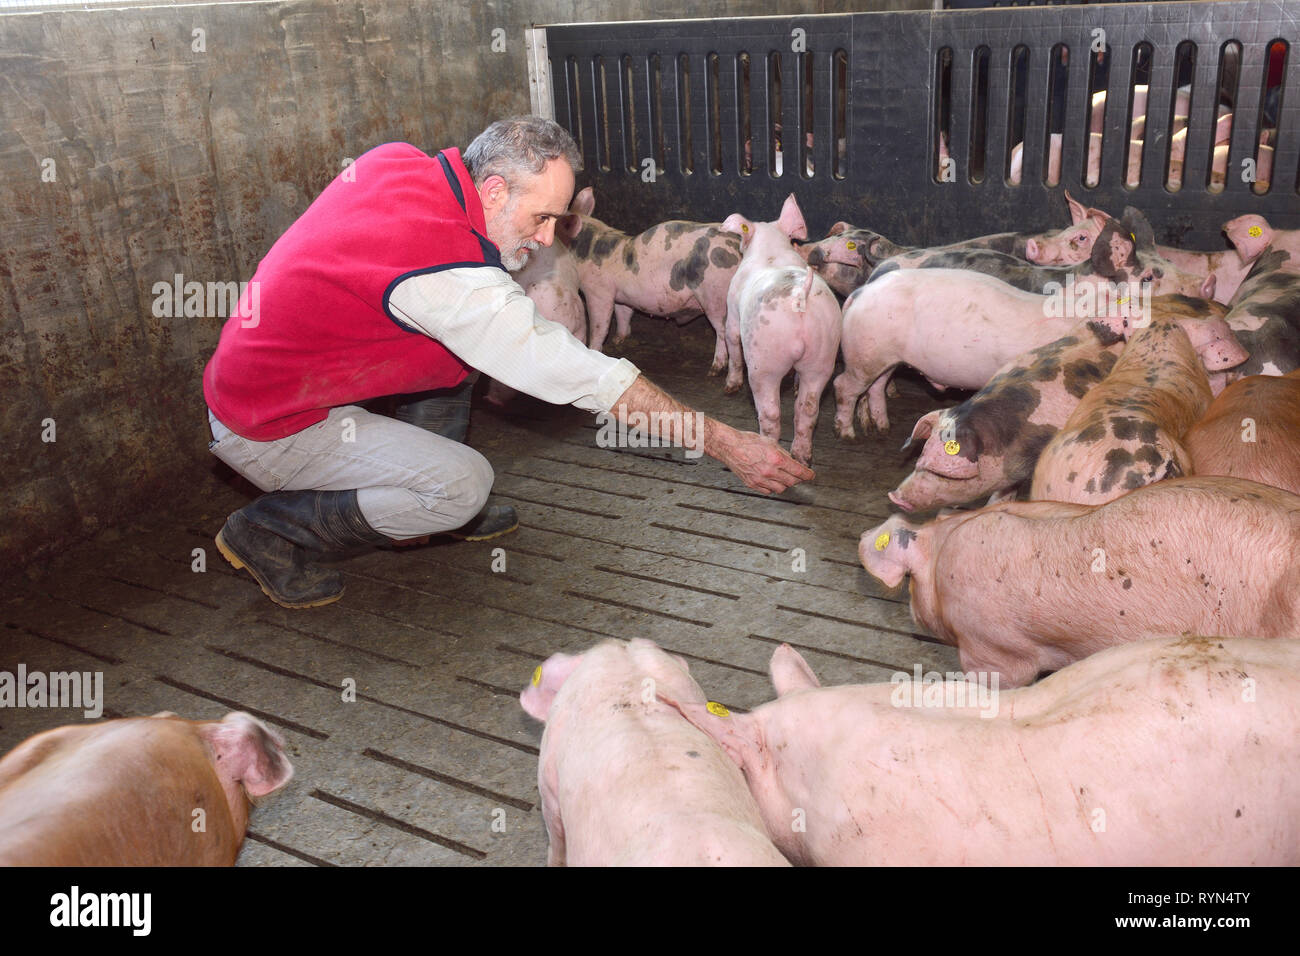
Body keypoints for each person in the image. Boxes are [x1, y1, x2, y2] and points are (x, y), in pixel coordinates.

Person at [202, 116, 813, 609]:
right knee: (462, 486)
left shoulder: (402, 161)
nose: (550, 238)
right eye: (542, 217)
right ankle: (271, 530)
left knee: (454, 356)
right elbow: (583, 376)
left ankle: (419, 493)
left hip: (283, 372)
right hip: (269, 422)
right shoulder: (449, 280)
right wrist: (723, 442)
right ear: (493, 190)